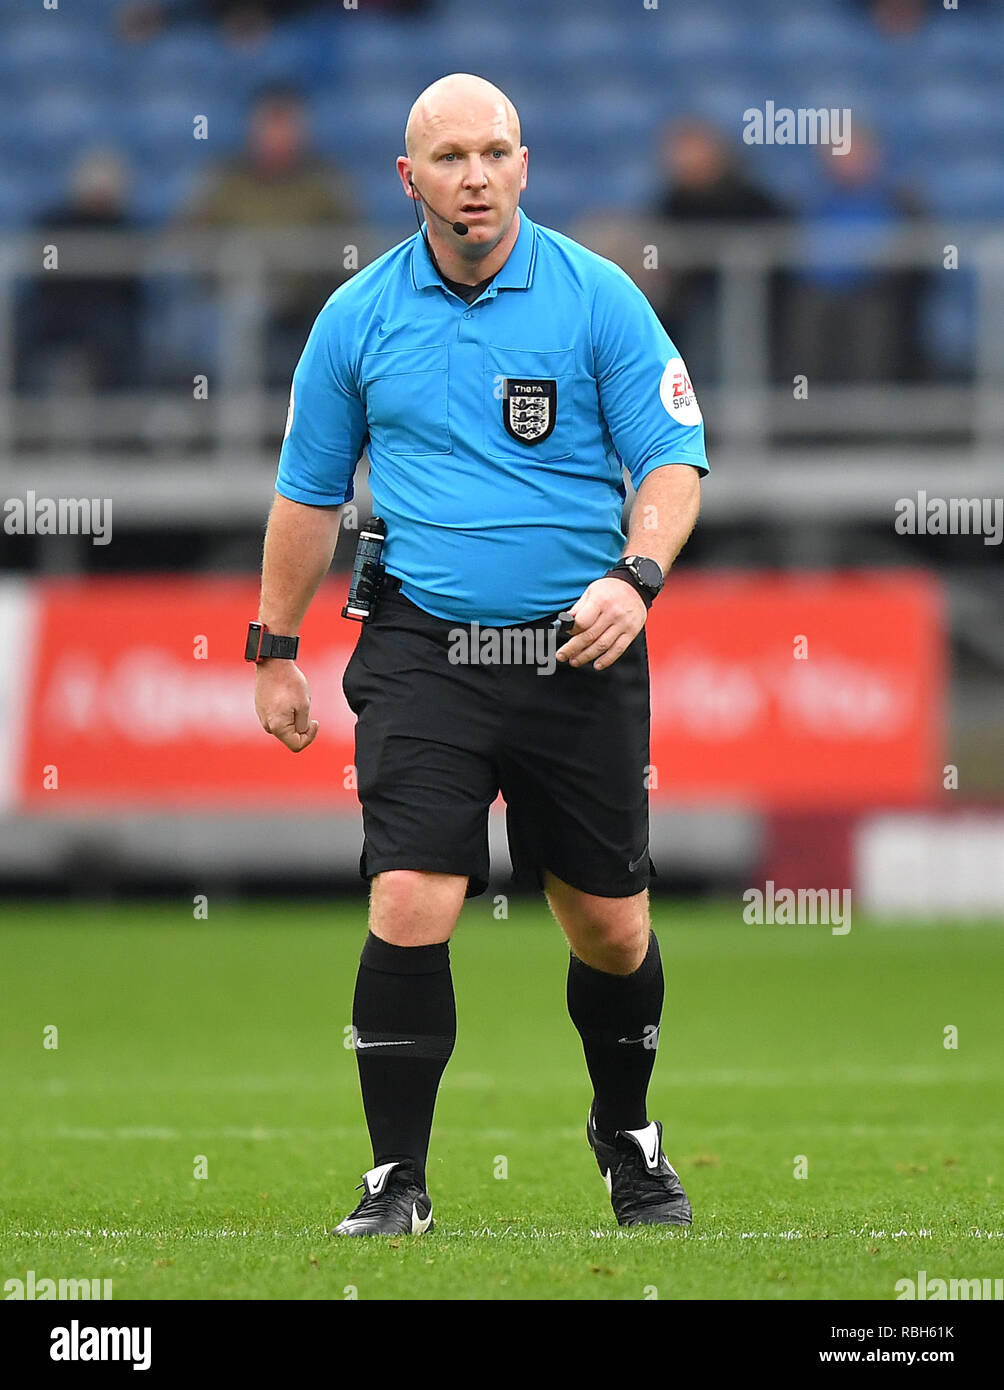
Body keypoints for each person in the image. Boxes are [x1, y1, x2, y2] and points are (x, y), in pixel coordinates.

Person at [251, 74, 708, 1236]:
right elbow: (307, 491)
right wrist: (273, 647)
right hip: (423, 652)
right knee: (409, 897)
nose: (474, 176)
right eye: (448, 157)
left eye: (493, 152)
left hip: (576, 649)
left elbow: (671, 460)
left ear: (523, 164)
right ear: (408, 180)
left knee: (610, 927)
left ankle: (626, 1135)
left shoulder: (598, 298)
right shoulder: (355, 317)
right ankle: (394, 1181)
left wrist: (636, 576)